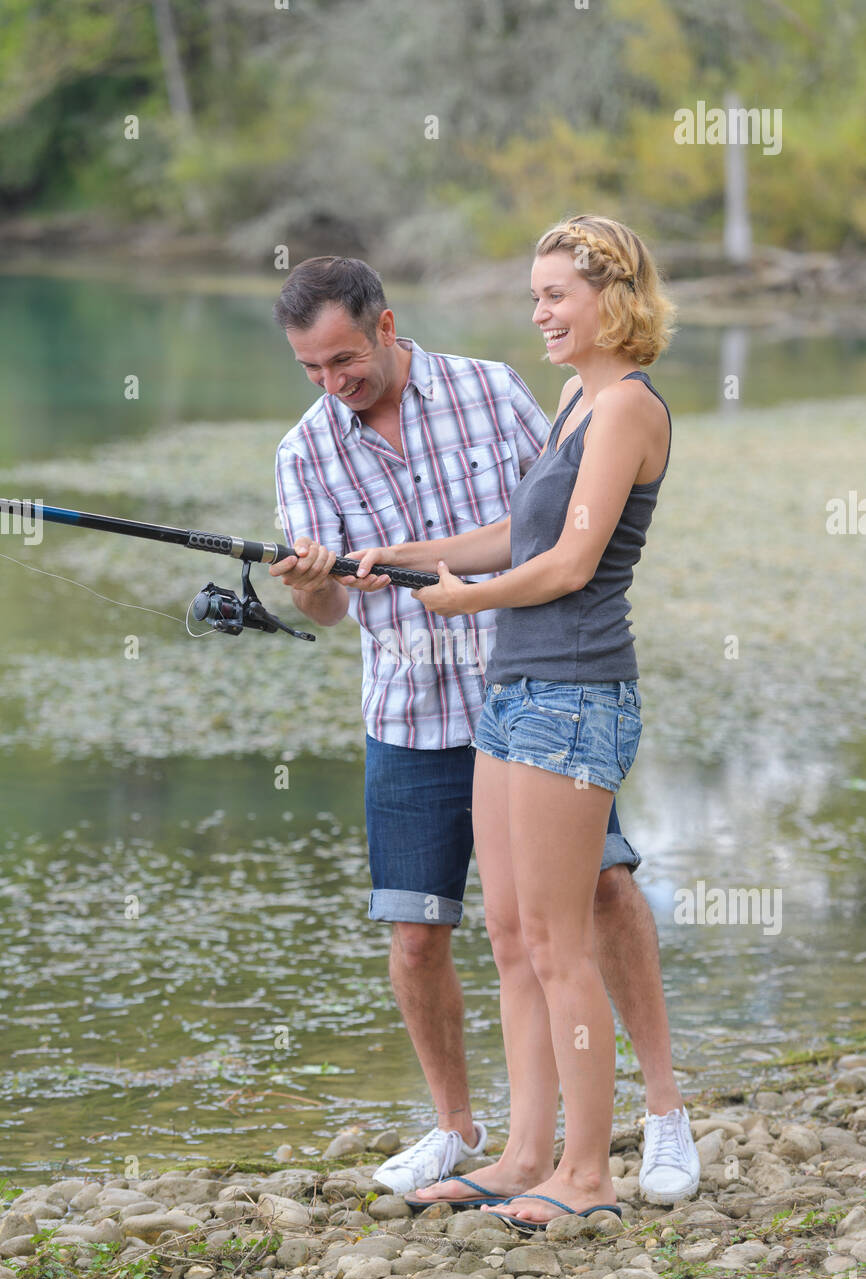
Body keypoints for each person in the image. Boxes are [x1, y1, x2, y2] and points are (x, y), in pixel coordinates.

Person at [269, 250, 699, 1207]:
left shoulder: (558, 396)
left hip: (558, 686)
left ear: (384, 326)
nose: (332, 384)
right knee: (501, 939)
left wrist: (464, 600)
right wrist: (360, 572)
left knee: (584, 915)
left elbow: (567, 559)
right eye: (312, 371)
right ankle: (510, 1151)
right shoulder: (569, 403)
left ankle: (621, 1145)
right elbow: (516, 534)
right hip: (449, 704)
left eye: (555, 296)